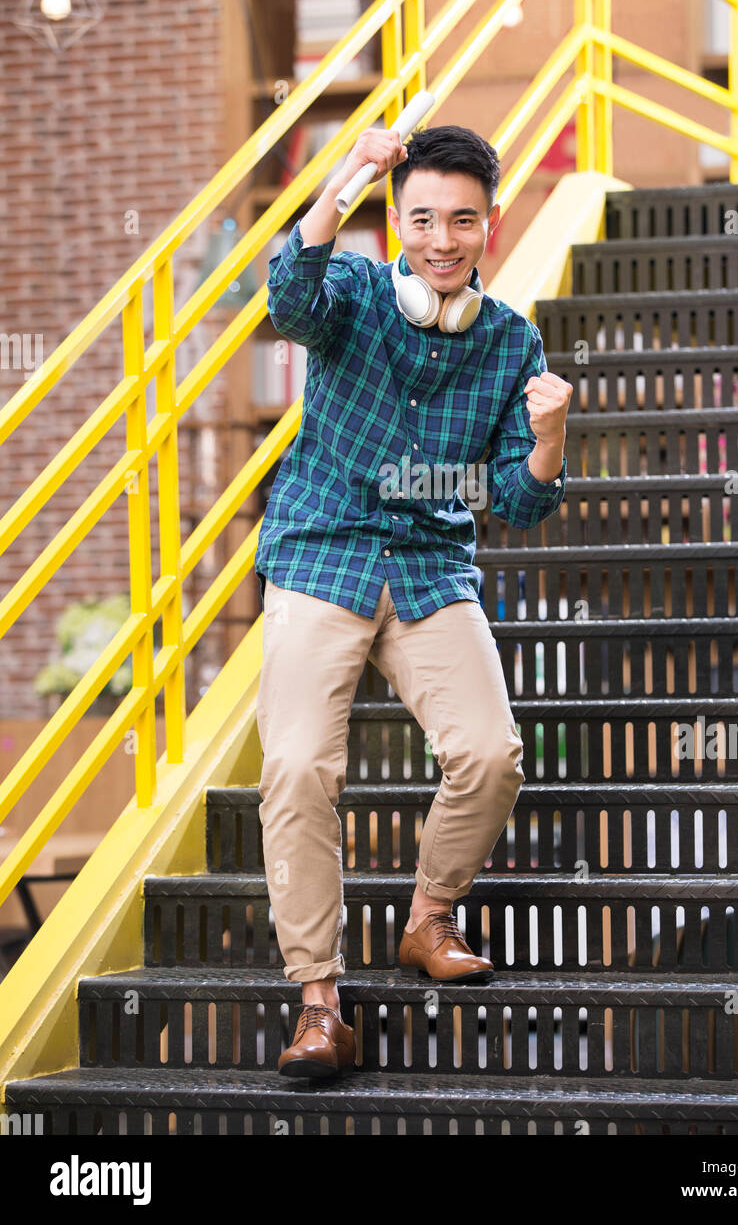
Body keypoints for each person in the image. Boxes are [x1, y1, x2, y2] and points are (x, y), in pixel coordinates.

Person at [253, 121, 572, 1080]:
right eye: (424, 218)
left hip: (432, 567)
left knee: (490, 753)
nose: (442, 239)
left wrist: (551, 436)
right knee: (300, 766)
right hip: (321, 555)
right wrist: (347, 173)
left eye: (463, 221)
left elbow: (517, 497)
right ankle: (319, 1002)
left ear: (489, 226)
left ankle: (429, 917)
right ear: (398, 221)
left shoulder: (512, 341)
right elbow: (286, 298)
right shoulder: (350, 291)